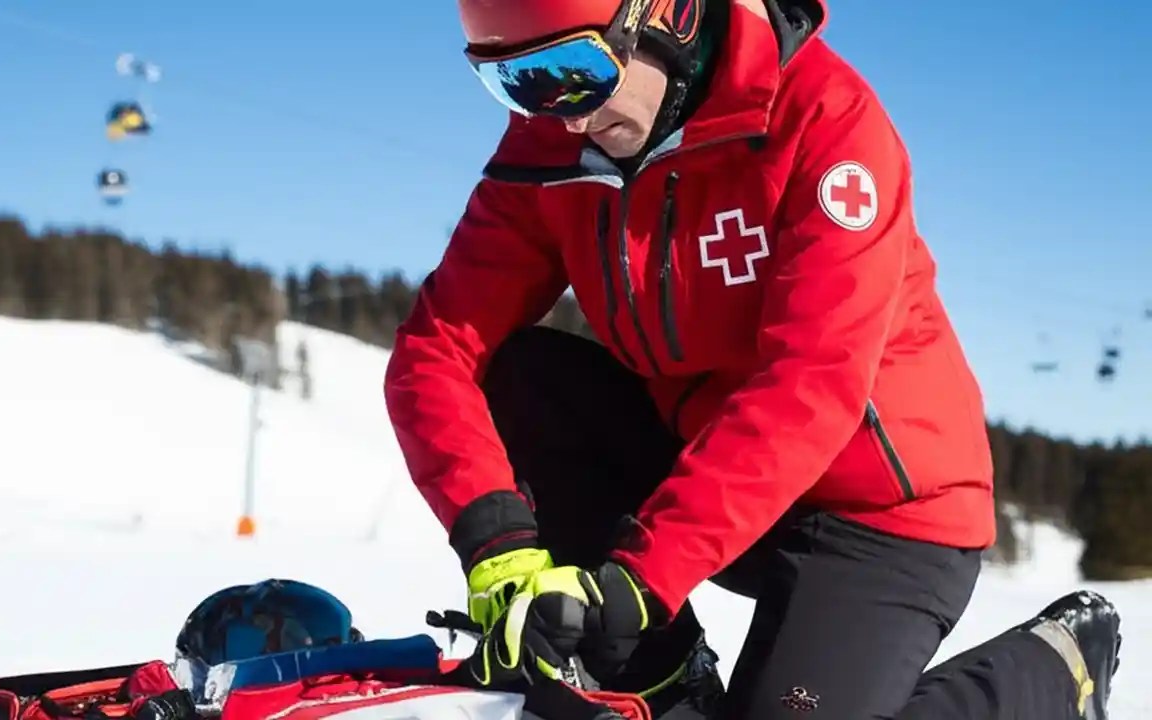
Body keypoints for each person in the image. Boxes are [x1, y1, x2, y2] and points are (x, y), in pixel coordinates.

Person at [383, 1, 1124, 718]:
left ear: (664, 15)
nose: (563, 114)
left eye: (575, 69)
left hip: (880, 510)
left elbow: (811, 382)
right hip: (709, 472)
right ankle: (661, 679)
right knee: (519, 375)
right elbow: (436, 349)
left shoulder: (825, 122)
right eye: (515, 80)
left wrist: (644, 579)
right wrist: (498, 544)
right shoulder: (552, 148)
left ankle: (1054, 667)